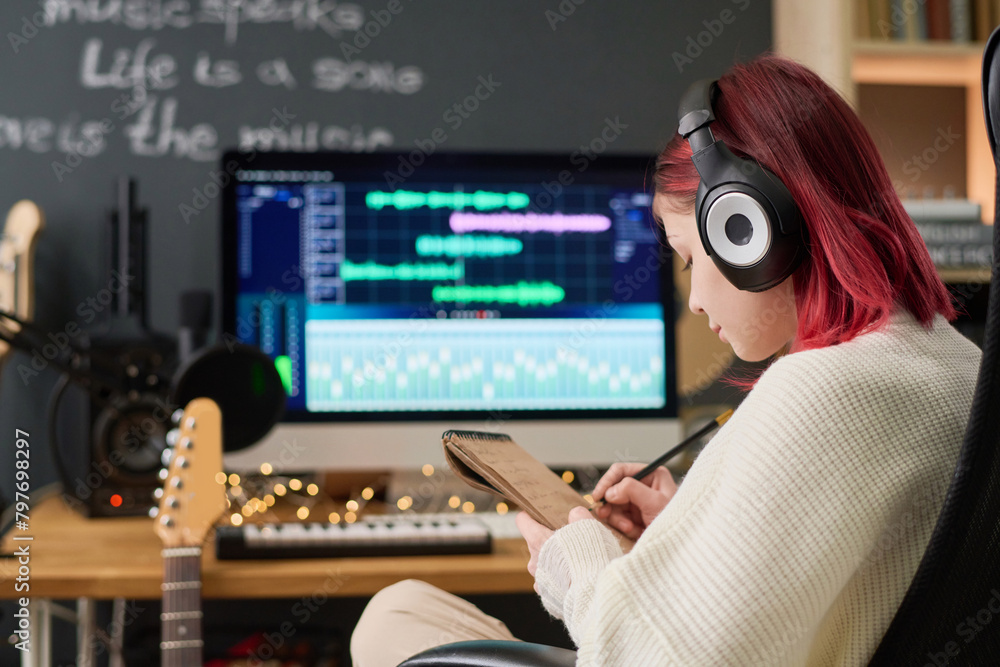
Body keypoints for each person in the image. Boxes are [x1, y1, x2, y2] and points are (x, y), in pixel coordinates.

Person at [350, 54, 983, 666]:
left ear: (747, 229)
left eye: (687, 258)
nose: (695, 299)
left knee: (393, 617)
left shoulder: (820, 390)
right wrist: (684, 538)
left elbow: (649, 656)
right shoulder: (958, 364)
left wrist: (576, 555)